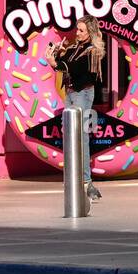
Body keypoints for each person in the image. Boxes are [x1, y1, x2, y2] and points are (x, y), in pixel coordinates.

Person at [49, 16, 106, 201]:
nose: (78, 33)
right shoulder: (74, 48)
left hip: (83, 94)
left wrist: (56, 62)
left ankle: (86, 182)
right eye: (78, 29)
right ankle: (76, 178)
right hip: (71, 93)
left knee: (80, 136)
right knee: (70, 134)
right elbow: (63, 65)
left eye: (82, 30)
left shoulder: (93, 51)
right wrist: (56, 53)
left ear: (90, 32)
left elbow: (74, 68)